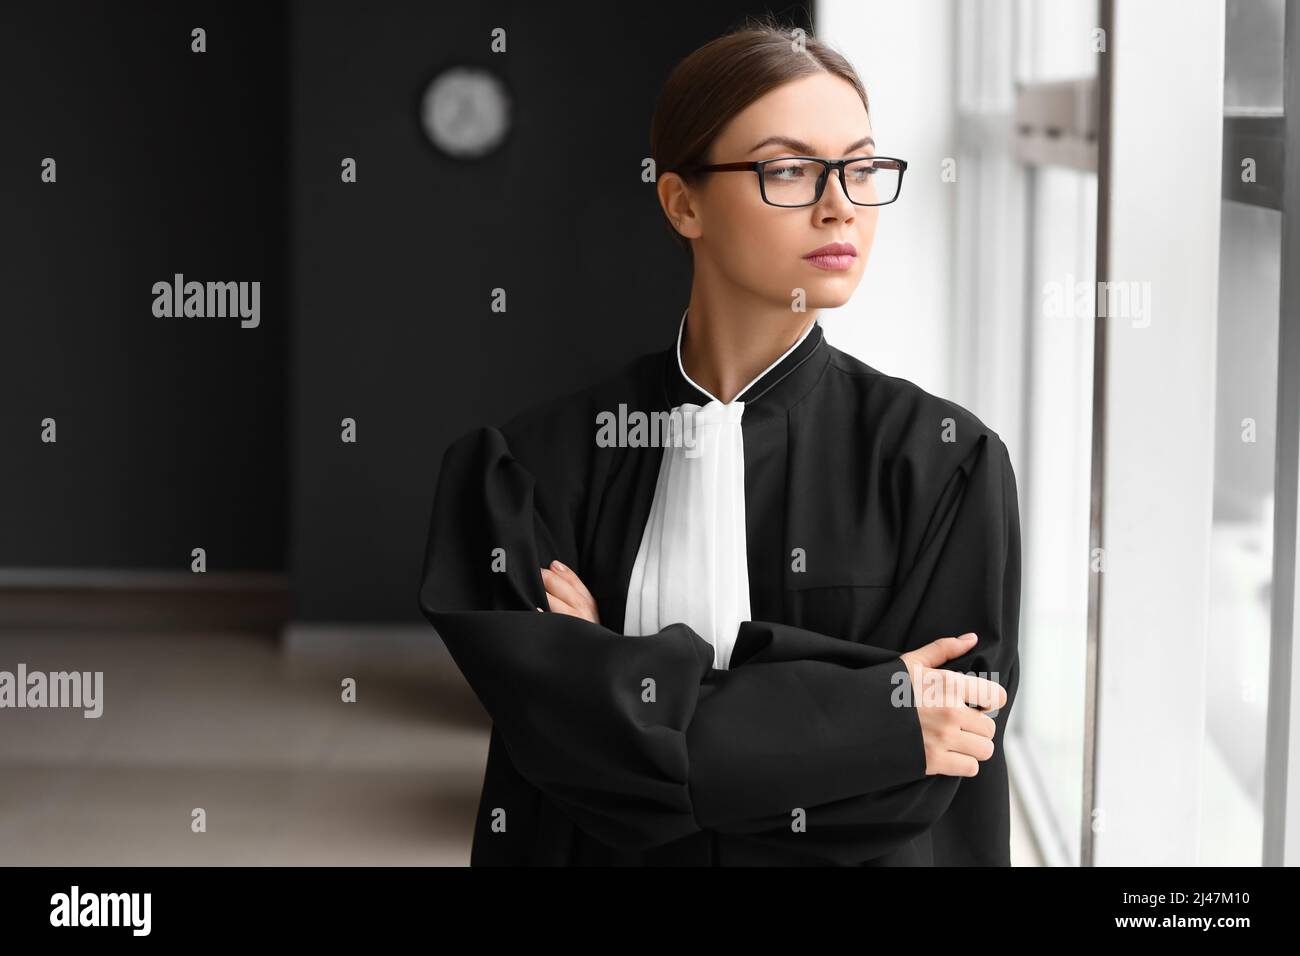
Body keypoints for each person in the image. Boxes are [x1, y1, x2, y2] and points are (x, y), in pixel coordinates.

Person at [418, 18, 1021, 866]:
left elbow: (933, 766)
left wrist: (626, 677)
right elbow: (560, 749)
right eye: (789, 169)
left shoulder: (944, 463)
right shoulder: (531, 467)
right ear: (682, 202)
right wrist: (863, 719)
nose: (839, 202)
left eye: (861, 166)